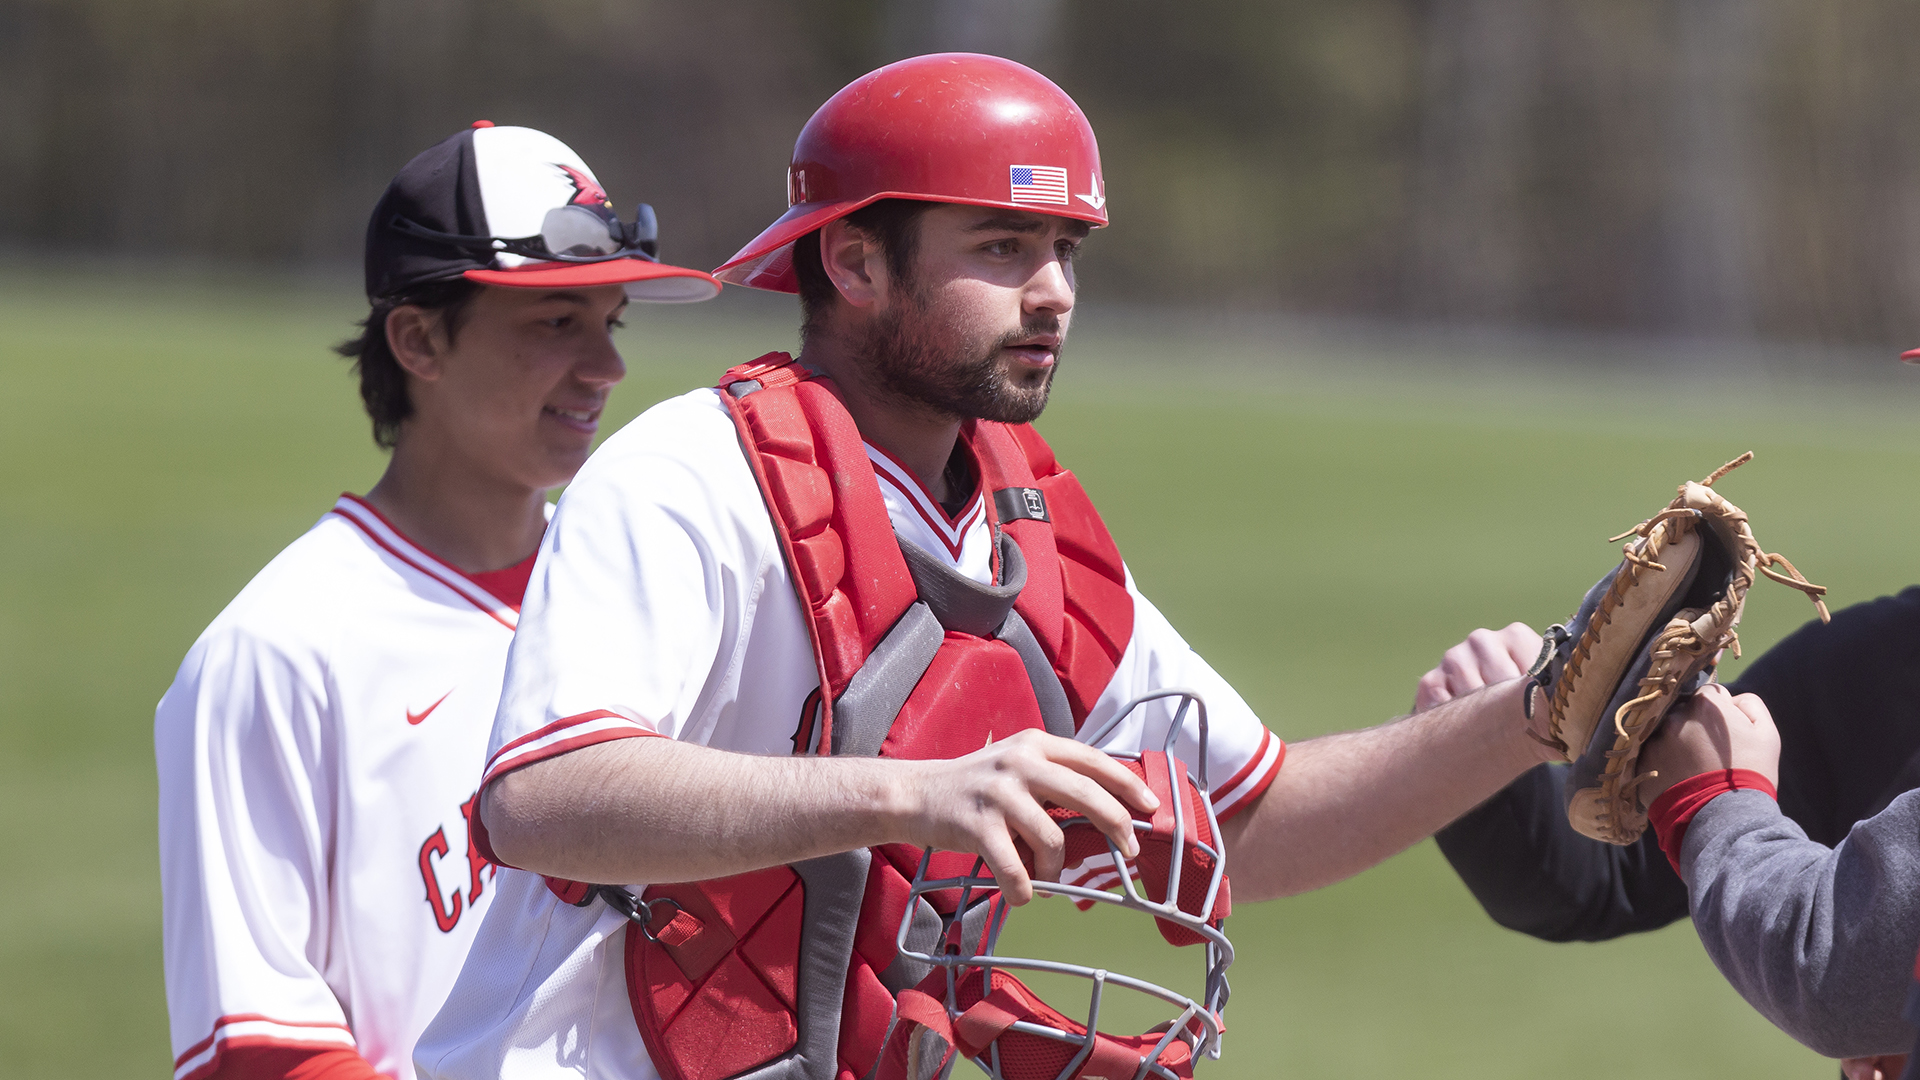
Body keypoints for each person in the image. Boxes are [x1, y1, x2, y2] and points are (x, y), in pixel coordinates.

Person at [414, 54, 1562, 1080]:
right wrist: (915, 794)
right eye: (1003, 247)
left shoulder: (1027, 534)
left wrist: (1538, 713)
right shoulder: (689, 477)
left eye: (1064, 251)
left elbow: (1259, 824)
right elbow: (542, 801)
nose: (1055, 291)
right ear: (856, 262)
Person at [155, 122, 719, 1080]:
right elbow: (255, 1050)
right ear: (419, 339)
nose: (606, 369)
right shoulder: (280, 650)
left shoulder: (653, 605)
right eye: (554, 323)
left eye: (609, 323)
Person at [1418, 598, 1920, 1080]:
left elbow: (1832, 972)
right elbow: (1601, 874)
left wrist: (1710, 800)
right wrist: (1478, 739)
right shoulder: (1895, 659)